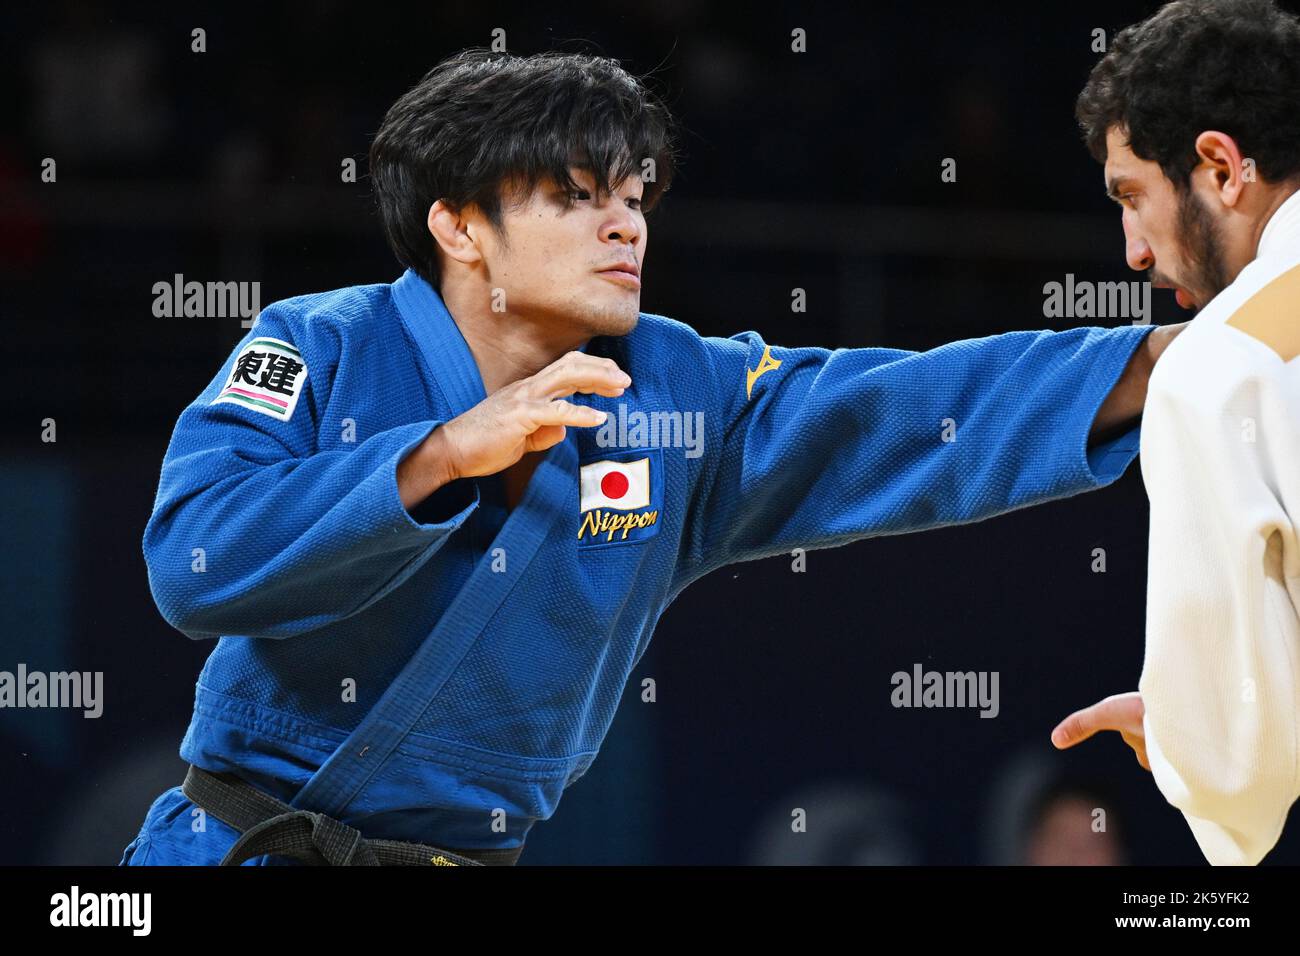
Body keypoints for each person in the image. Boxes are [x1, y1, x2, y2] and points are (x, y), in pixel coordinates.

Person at [121, 48, 1179, 866]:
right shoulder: (324, 343)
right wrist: (437, 454)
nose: (623, 224)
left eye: (634, 196)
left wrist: (1158, 360)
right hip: (236, 844)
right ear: (459, 226)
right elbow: (192, 557)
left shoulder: (676, 393)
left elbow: (897, 408)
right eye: (577, 195)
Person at [1051, 0, 1300, 866]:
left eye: (1133, 198)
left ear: (1222, 167)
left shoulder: (1215, 369)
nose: (1133, 252)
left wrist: (1186, 742)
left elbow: (1242, 771)